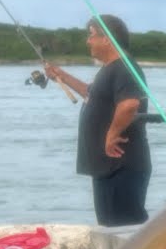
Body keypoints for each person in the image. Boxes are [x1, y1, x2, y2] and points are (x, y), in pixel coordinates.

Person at [45, 14, 152, 227]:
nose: (88, 41)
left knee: (123, 228)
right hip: (107, 166)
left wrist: (112, 134)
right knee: (109, 225)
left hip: (121, 165)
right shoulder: (109, 69)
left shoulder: (125, 67)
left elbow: (130, 104)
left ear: (107, 39)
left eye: (92, 35)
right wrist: (62, 75)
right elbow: (90, 94)